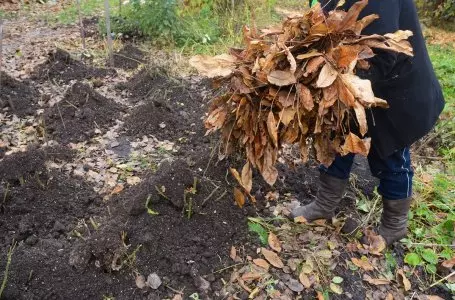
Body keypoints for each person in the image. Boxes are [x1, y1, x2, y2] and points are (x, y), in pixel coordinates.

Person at [290, 0, 445, 246]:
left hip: (395, 89)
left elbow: (383, 52)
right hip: (352, 82)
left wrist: (336, 81)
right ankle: (324, 204)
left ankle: (394, 226)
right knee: (338, 138)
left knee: (391, 155)